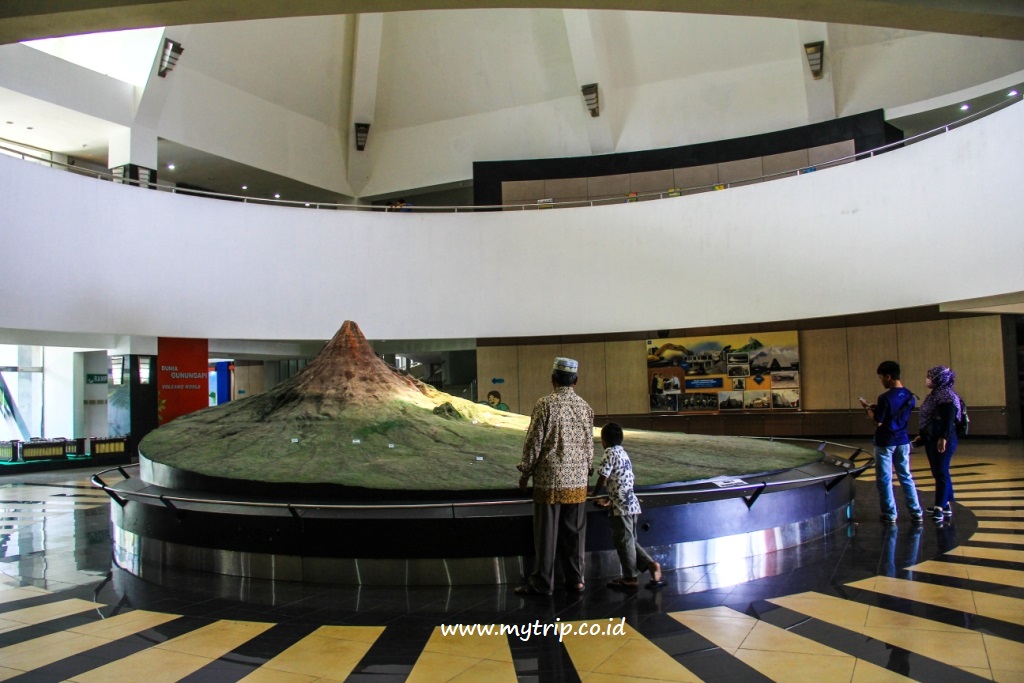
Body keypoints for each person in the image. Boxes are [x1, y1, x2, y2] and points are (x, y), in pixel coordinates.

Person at [515, 357, 595, 596]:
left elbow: (534, 442)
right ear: (576, 380)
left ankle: (543, 582)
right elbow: (589, 446)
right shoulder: (585, 408)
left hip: (549, 479)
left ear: (552, 379)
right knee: (575, 533)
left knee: (546, 534)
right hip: (578, 480)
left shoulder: (545, 405)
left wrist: (525, 472)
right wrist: (586, 470)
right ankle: (577, 580)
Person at [591, 422, 663, 589]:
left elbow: (604, 474)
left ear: (604, 441)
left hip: (621, 506)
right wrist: (609, 499)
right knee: (629, 540)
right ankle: (650, 565)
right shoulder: (623, 453)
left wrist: (594, 493)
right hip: (631, 503)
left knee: (623, 542)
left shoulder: (609, 452)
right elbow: (622, 480)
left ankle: (630, 577)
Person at [859, 360, 923, 524]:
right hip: (903, 440)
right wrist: (877, 406)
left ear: (888, 376)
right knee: (906, 476)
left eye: (881, 378)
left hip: (885, 442)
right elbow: (894, 412)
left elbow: (877, 421)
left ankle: (890, 513)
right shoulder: (910, 395)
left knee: (884, 479)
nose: (881, 381)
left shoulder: (885, 398)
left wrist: (867, 408)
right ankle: (916, 511)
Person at [913, 365, 963, 522]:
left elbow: (948, 420)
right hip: (932, 438)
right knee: (939, 471)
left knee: (941, 472)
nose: (928, 379)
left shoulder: (946, 396)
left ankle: (939, 508)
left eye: (930, 376)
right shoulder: (937, 394)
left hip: (942, 439)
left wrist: (943, 438)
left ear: (939, 378)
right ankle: (946, 504)